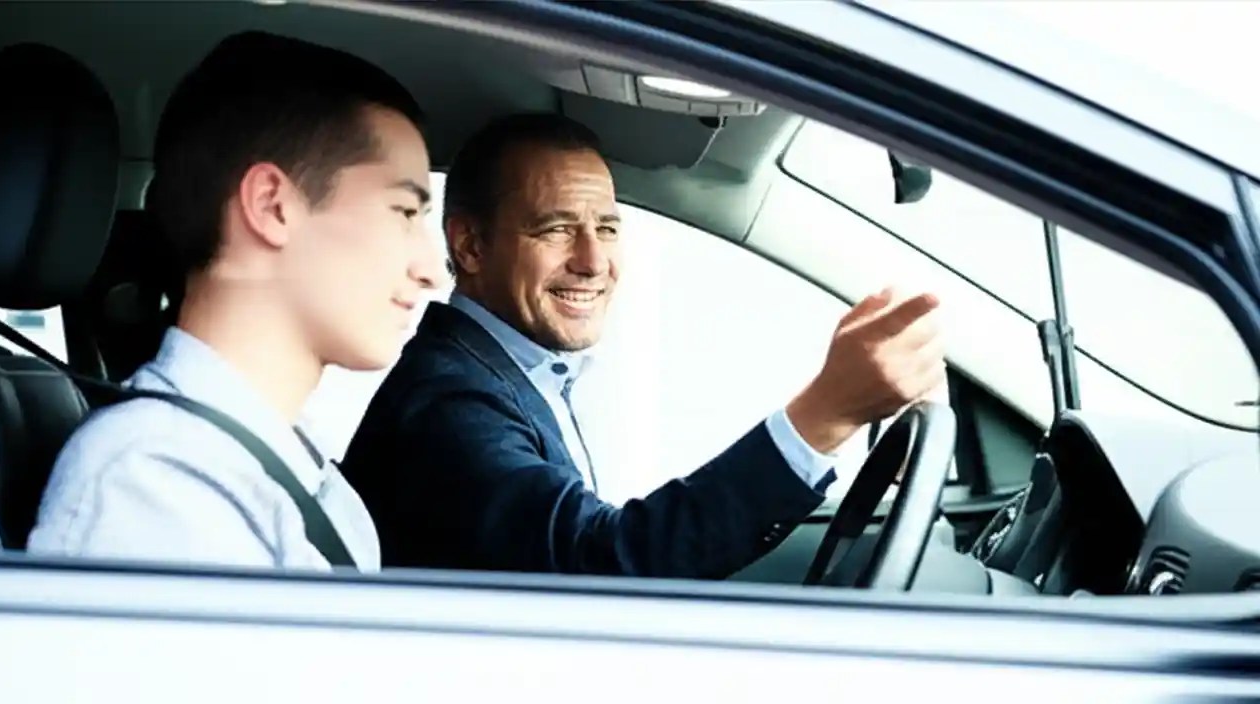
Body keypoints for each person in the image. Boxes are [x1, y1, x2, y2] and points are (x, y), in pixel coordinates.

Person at [340, 113, 945, 578]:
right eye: (555, 229)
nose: (593, 261)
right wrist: (825, 415)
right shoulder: (448, 405)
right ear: (470, 247)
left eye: (606, 228)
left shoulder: (507, 372)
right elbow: (601, 561)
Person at [26, 31, 443, 570]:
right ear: (272, 206)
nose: (432, 270)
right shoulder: (156, 485)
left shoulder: (274, 464)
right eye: (404, 213)